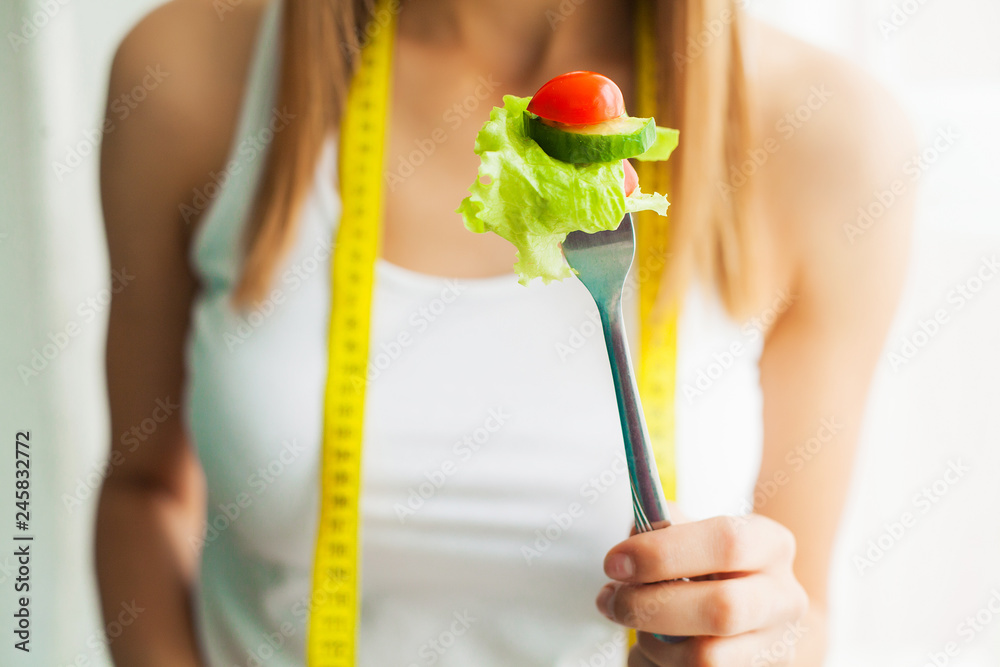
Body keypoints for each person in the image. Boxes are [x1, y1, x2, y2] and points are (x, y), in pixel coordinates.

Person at [96, 0, 914, 664]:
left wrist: (751, 643)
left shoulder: (832, 141)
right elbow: (144, 491)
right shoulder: (184, 75)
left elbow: (801, 612)